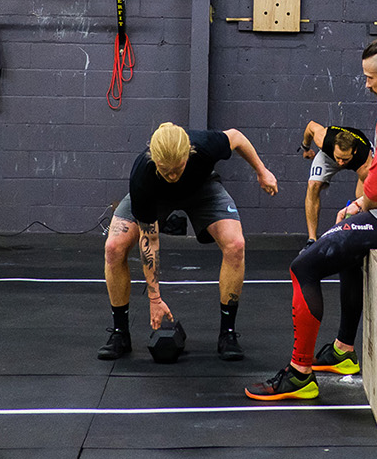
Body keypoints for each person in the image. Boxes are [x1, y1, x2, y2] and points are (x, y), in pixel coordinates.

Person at [245, 29, 377, 401]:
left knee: (303, 266)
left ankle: (300, 374)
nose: (368, 85)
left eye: (371, 78)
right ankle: (343, 351)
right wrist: (357, 211)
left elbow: (376, 191)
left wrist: (357, 205)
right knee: (346, 246)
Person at [98, 122, 278, 362]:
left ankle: (228, 333)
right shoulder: (143, 174)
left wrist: (261, 170)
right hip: (155, 197)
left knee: (236, 245)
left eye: (178, 168)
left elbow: (236, 137)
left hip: (202, 189)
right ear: (154, 159)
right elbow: (149, 240)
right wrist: (155, 298)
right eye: (166, 170)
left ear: (189, 154)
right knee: (113, 248)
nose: (172, 176)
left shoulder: (204, 145)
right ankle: (120, 333)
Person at [301, 121, 373, 244]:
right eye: (338, 158)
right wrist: (306, 148)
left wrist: (354, 208)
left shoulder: (364, 161)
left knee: (361, 199)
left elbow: (362, 198)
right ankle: (311, 240)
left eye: (344, 159)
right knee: (313, 184)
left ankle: (358, 236)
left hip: (358, 161)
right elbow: (310, 126)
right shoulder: (323, 139)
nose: (340, 163)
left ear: (354, 151)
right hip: (329, 157)